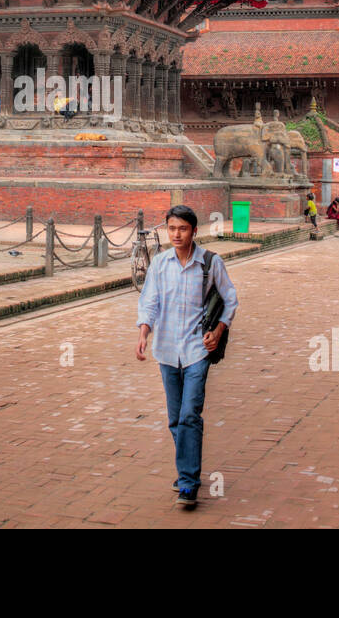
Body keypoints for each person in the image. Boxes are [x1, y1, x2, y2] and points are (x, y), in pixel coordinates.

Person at [135, 204, 238, 509]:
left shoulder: (209, 263)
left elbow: (230, 299)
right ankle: (187, 467)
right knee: (175, 419)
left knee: (190, 415)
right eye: (171, 228)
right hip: (166, 349)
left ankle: (188, 482)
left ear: (194, 231)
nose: (176, 234)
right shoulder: (160, 264)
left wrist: (218, 331)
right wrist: (143, 331)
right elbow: (149, 301)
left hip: (197, 350)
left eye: (182, 229)